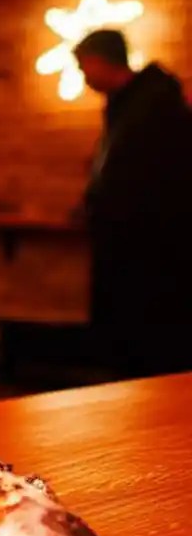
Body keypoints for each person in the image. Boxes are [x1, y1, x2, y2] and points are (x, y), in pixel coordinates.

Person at [73, 29, 192, 378]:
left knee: (146, 342)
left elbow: (147, 181)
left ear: (97, 61)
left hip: (149, 248)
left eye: (84, 68)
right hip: (134, 243)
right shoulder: (134, 104)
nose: (84, 78)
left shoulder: (151, 106)